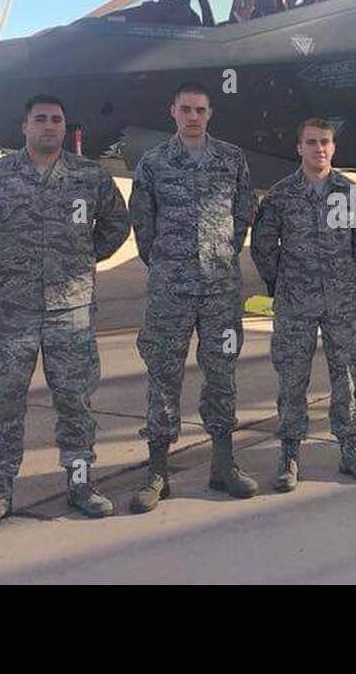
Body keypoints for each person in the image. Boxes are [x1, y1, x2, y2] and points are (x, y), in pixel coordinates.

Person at [0, 94, 130, 532]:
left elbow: (117, 225)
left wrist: (84, 258)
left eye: (57, 120)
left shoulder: (89, 176)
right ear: (24, 126)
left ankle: (82, 486)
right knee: (4, 404)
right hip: (12, 312)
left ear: (64, 127)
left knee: (75, 403)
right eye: (41, 119)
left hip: (71, 311)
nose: (49, 126)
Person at [129, 82, 259, 512]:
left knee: (222, 375)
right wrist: (168, 261)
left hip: (220, 289)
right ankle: (157, 473)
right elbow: (142, 225)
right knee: (163, 375)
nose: (193, 117)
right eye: (185, 109)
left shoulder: (231, 158)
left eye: (200, 110)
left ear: (209, 114)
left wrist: (222, 251)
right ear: (173, 112)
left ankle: (223, 465)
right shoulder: (154, 163)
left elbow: (243, 212)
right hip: (171, 289)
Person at [251, 118, 356, 491]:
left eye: (325, 142)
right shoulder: (280, 195)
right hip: (295, 302)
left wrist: (341, 277)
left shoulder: (351, 194)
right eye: (311, 142)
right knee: (292, 378)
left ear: (333, 147)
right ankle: (289, 454)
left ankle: (350, 448)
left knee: (348, 378)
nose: (318, 148)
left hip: (341, 302)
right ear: (299, 148)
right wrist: (283, 283)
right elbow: (263, 247)